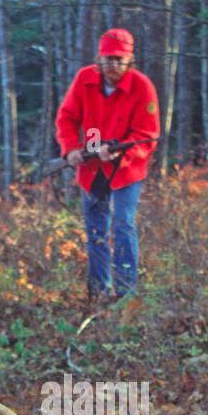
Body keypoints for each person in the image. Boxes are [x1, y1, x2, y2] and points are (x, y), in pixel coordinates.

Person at [55, 28, 159, 302]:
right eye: (108, 58)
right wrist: (70, 150)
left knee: (124, 225)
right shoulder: (84, 79)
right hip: (91, 170)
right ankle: (99, 294)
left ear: (129, 60)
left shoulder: (142, 86)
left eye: (119, 59)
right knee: (95, 232)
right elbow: (66, 118)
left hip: (126, 171)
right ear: (99, 59)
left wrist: (118, 154)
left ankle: (126, 295)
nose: (113, 65)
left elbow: (147, 136)